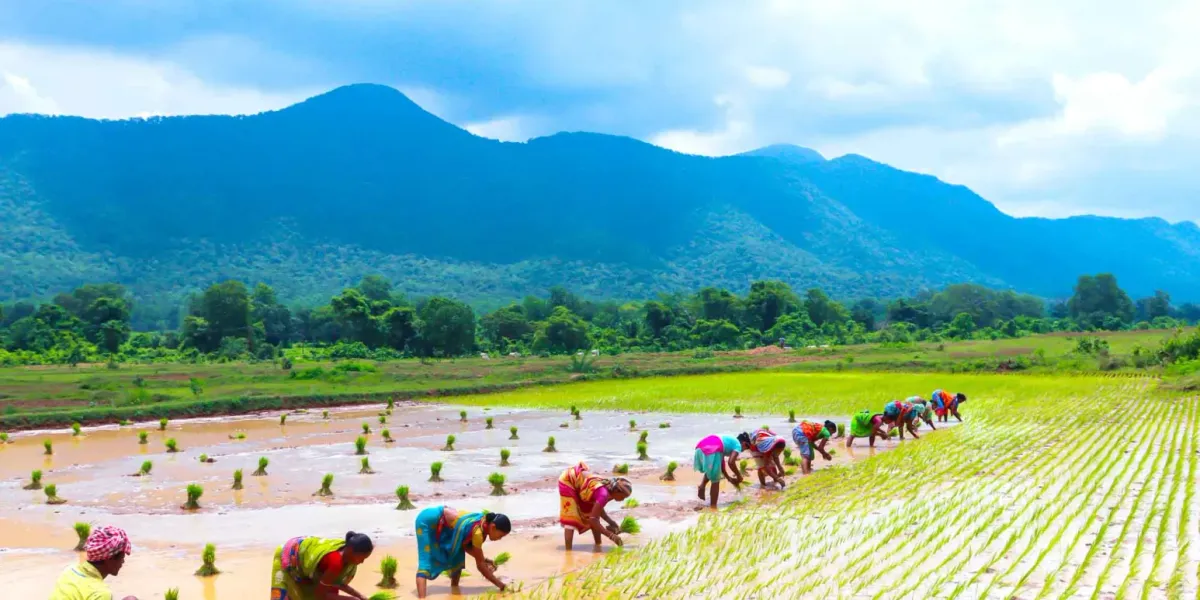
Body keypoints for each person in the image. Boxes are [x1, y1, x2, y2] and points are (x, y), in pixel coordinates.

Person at [415, 506, 511, 598]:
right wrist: (501, 585)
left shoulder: (483, 522)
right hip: (427, 521)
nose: (499, 539)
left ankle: (454, 590)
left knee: (458, 557)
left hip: (443, 522)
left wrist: (483, 559)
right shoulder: (478, 532)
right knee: (425, 562)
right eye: (500, 535)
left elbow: (464, 545)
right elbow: (480, 566)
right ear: (493, 527)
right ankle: (422, 598)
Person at [270, 531, 373, 600]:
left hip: (308, 565)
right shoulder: (336, 563)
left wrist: (360, 596)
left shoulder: (346, 554)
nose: (362, 562)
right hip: (290, 556)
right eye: (362, 558)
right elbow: (320, 595)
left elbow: (337, 583)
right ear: (351, 551)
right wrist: (351, 599)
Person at [50, 525, 138, 600]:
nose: (123, 562)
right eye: (121, 558)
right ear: (109, 559)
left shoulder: (70, 570)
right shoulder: (100, 593)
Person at [558, 461, 632, 550]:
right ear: (617, 491)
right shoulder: (603, 494)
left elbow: (599, 511)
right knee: (571, 518)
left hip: (581, 483)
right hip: (568, 480)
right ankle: (568, 552)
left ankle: (598, 545)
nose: (623, 500)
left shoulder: (610, 491)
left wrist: (611, 522)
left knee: (591, 513)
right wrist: (611, 535)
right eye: (623, 497)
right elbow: (593, 520)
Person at [693, 433, 745, 508]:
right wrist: (739, 476)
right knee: (716, 480)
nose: (742, 451)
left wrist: (729, 479)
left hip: (700, 447)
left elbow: (721, 467)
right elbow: (731, 462)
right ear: (744, 443)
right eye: (745, 448)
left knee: (713, 470)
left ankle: (702, 486)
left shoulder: (726, 443)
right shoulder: (738, 445)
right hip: (712, 448)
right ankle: (713, 508)